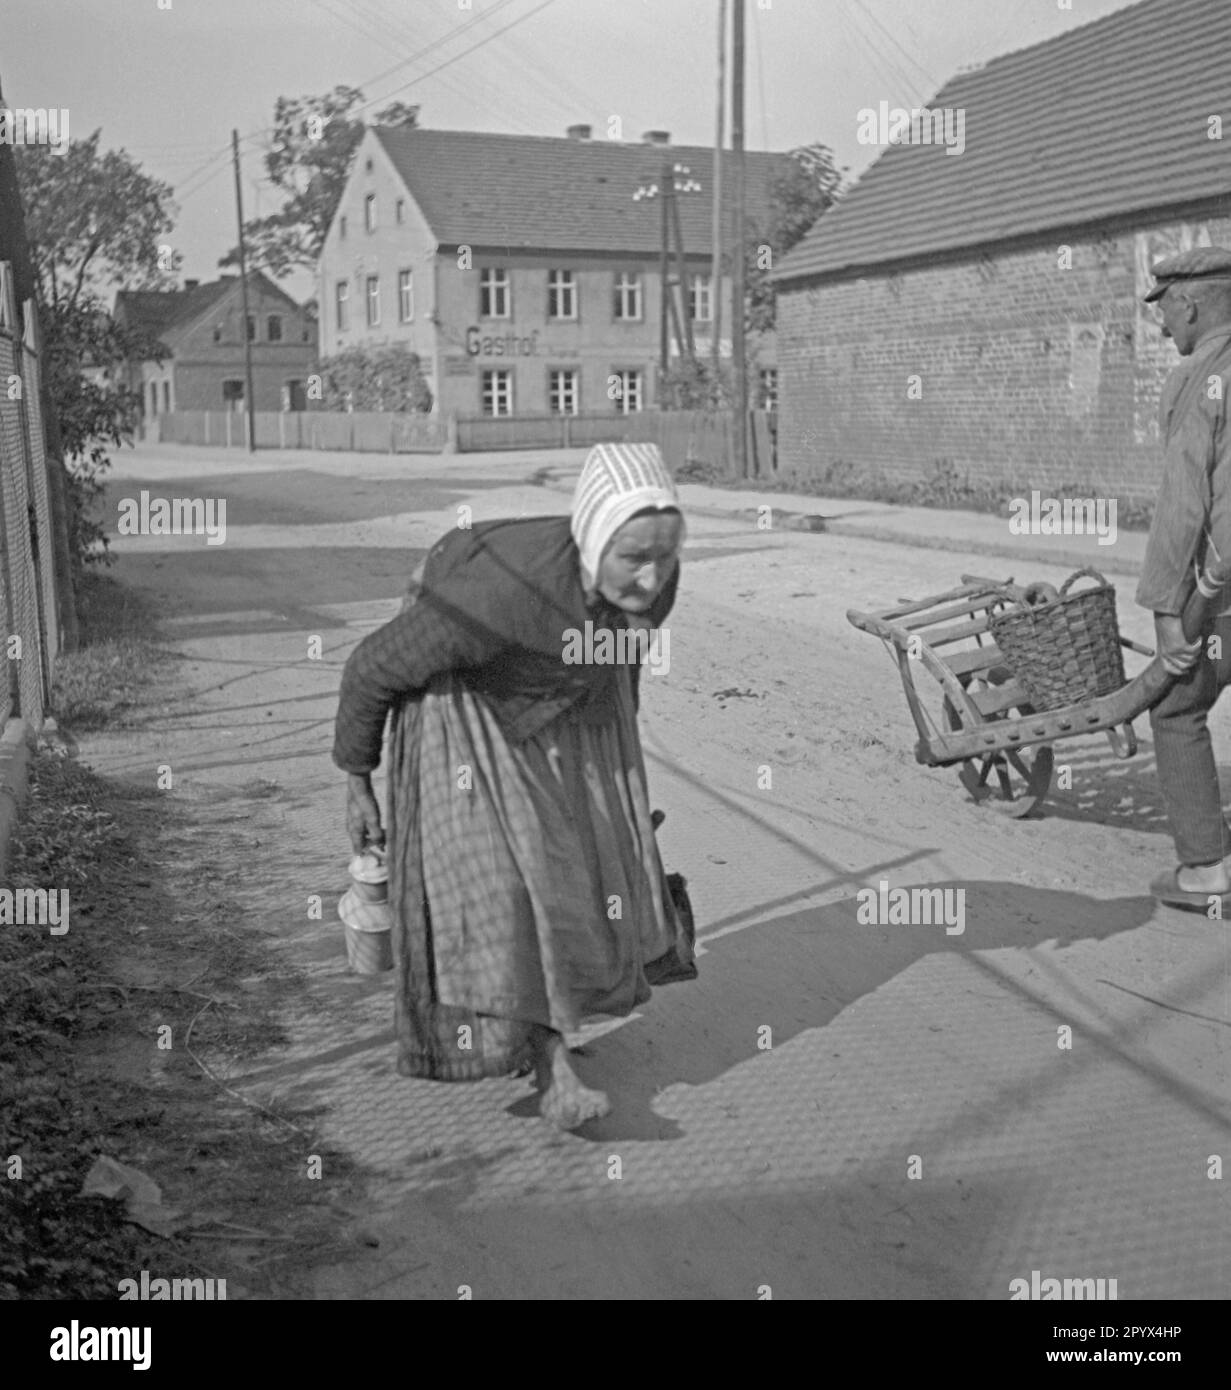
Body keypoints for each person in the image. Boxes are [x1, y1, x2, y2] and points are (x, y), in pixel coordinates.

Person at [332, 442, 695, 1128]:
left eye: (664, 557)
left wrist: (618, 785)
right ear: (592, 543)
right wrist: (358, 781)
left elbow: (618, 664)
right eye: (633, 558)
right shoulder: (495, 598)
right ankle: (550, 1059)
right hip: (464, 697)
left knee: (582, 872)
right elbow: (372, 666)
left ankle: (549, 1024)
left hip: (559, 689)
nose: (651, 579)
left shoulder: (650, 584)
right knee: (508, 879)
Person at [1136, 247, 1231, 908]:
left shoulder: (1200, 379)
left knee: (1174, 705)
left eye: (1165, 309)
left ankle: (1204, 870)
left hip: (1220, 589)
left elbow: (1182, 509)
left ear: (1189, 303)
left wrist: (1167, 613)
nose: (1161, 324)